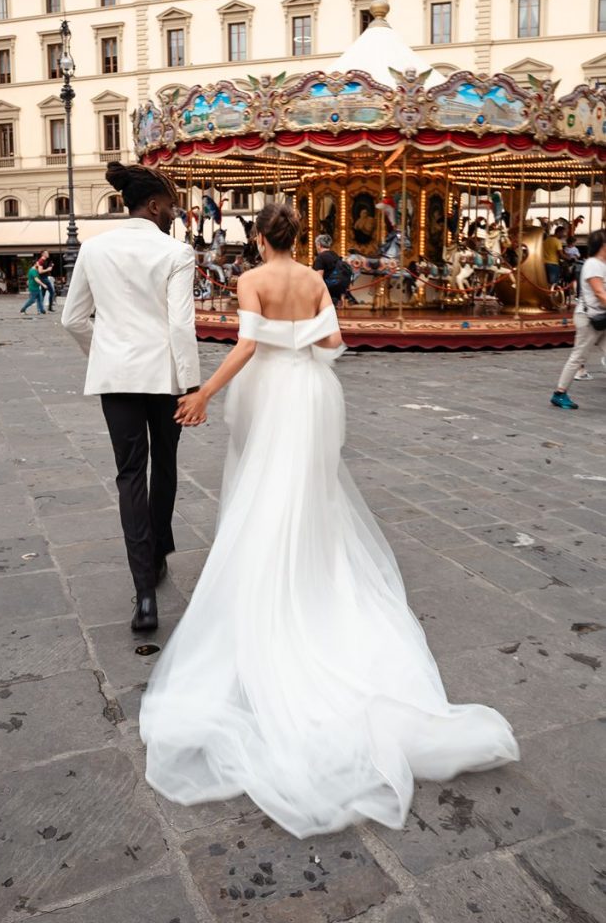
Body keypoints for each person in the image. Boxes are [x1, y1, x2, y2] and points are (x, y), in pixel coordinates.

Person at [139, 202, 519, 839]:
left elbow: (248, 345)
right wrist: (301, 344)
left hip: (268, 391)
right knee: (309, 488)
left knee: (263, 484)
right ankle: (312, 568)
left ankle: (269, 574)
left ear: (261, 238)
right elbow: (334, 343)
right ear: (294, 238)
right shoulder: (316, 278)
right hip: (312, 393)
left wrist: (205, 391)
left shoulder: (252, 278)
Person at [61, 162, 200, 632]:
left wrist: (103, 351)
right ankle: (158, 553)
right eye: (172, 208)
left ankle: (144, 595)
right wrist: (192, 385)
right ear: (155, 206)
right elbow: (180, 325)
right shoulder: (176, 252)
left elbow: (72, 319)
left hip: (116, 377)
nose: (174, 215)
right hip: (163, 377)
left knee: (129, 475)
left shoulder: (94, 248)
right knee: (165, 465)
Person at [551, 228, 606, 409]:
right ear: (603, 245)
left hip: (601, 317)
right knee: (578, 356)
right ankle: (559, 392)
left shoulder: (602, 264)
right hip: (589, 319)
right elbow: (599, 292)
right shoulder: (593, 264)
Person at [313, 233, 353, 305]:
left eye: (316, 245)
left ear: (319, 245)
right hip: (336, 294)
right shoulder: (335, 255)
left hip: (326, 295)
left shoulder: (320, 258)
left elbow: (318, 279)